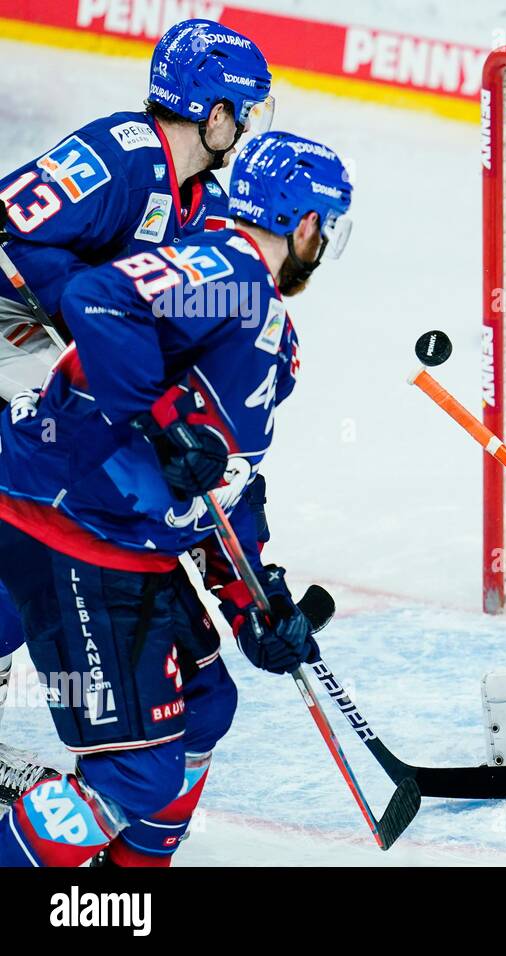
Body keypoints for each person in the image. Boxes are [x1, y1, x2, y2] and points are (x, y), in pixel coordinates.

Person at [0, 129, 353, 866]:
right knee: (136, 771)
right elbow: (99, 296)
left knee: (205, 707)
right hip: (71, 527)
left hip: (120, 541)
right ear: (308, 224)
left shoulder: (267, 329)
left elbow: (226, 482)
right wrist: (154, 419)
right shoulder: (225, 270)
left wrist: (258, 602)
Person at [0, 17, 274, 802]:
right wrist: (84, 319)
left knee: (45, 512)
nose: (245, 124)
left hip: (49, 337)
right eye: (241, 109)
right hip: (6, 319)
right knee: (58, 469)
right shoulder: (122, 150)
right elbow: (14, 232)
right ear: (214, 112)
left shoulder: (202, 198)